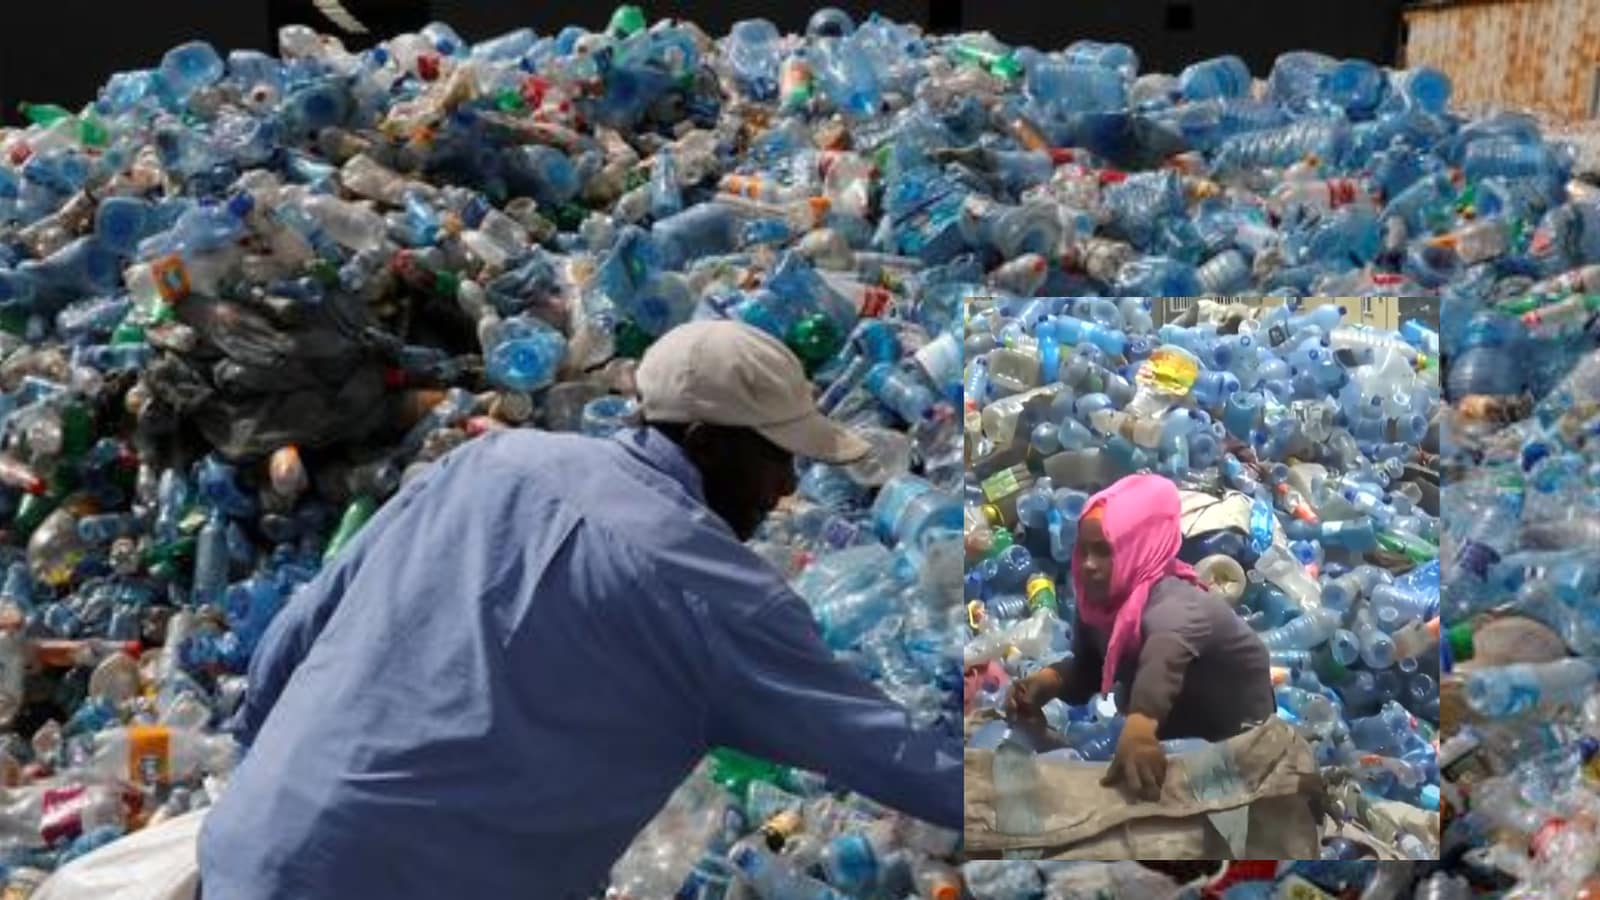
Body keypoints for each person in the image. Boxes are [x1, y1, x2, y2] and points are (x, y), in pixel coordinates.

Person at [198, 321, 961, 899]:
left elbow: (296, 633)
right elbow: (898, 757)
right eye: (776, 458)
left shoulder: (487, 464)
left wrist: (281, 795)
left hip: (249, 849)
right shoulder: (717, 593)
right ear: (705, 442)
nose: (787, 488)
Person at [1006, 473, 1274, 801]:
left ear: (1138, 546)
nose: (1088, 565)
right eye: (1084, 550)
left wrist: (1141, 728)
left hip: (1240, 744)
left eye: (1104, 551)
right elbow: (1092, 669)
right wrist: (1047, 682)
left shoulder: (1175, 603)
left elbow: (1164, 659)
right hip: (1177, 736)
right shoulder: (1101, 602)